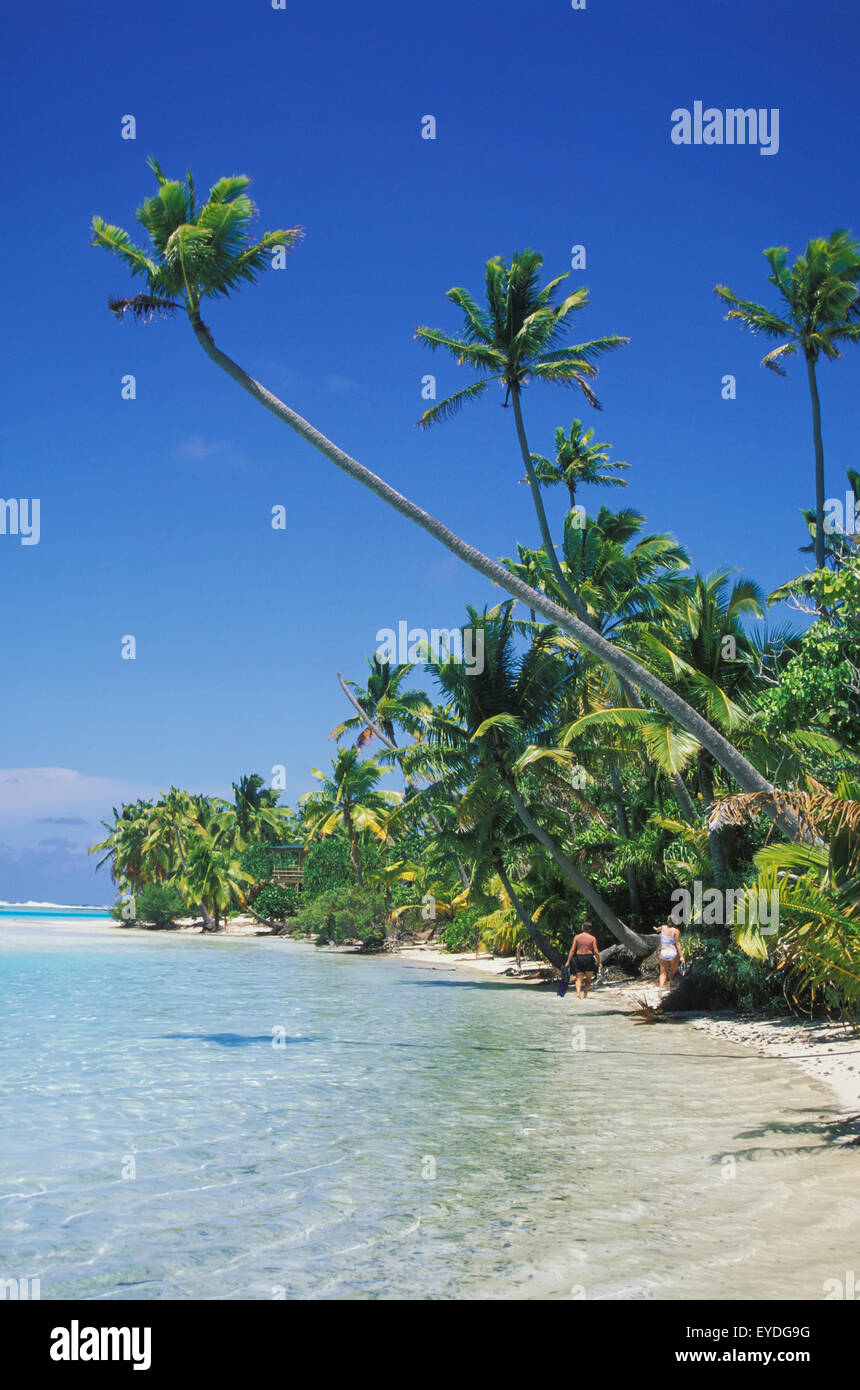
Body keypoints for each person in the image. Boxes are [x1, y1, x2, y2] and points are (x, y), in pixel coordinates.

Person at [565, 922, 601, 999]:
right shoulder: (592, 938)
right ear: (590, 929)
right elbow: (596, 951)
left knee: (578, 978)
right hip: (589, 958)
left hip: (579, 957)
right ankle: (584, 996)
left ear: (582, 928)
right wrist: (599, 962)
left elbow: (572, 950)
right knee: (588, 979)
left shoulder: (577, 937)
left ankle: (578, 994)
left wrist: (568, 961)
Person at [656, 914, 684, 989]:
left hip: (663, 951)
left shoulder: (662, 927)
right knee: (673, 973)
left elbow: (657, 929)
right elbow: (678, 944)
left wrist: (657, 929)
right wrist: (681, 956)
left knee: (662, 973)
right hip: (673, 952)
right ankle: (672, 988)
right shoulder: (676, 931)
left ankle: (661, 988)